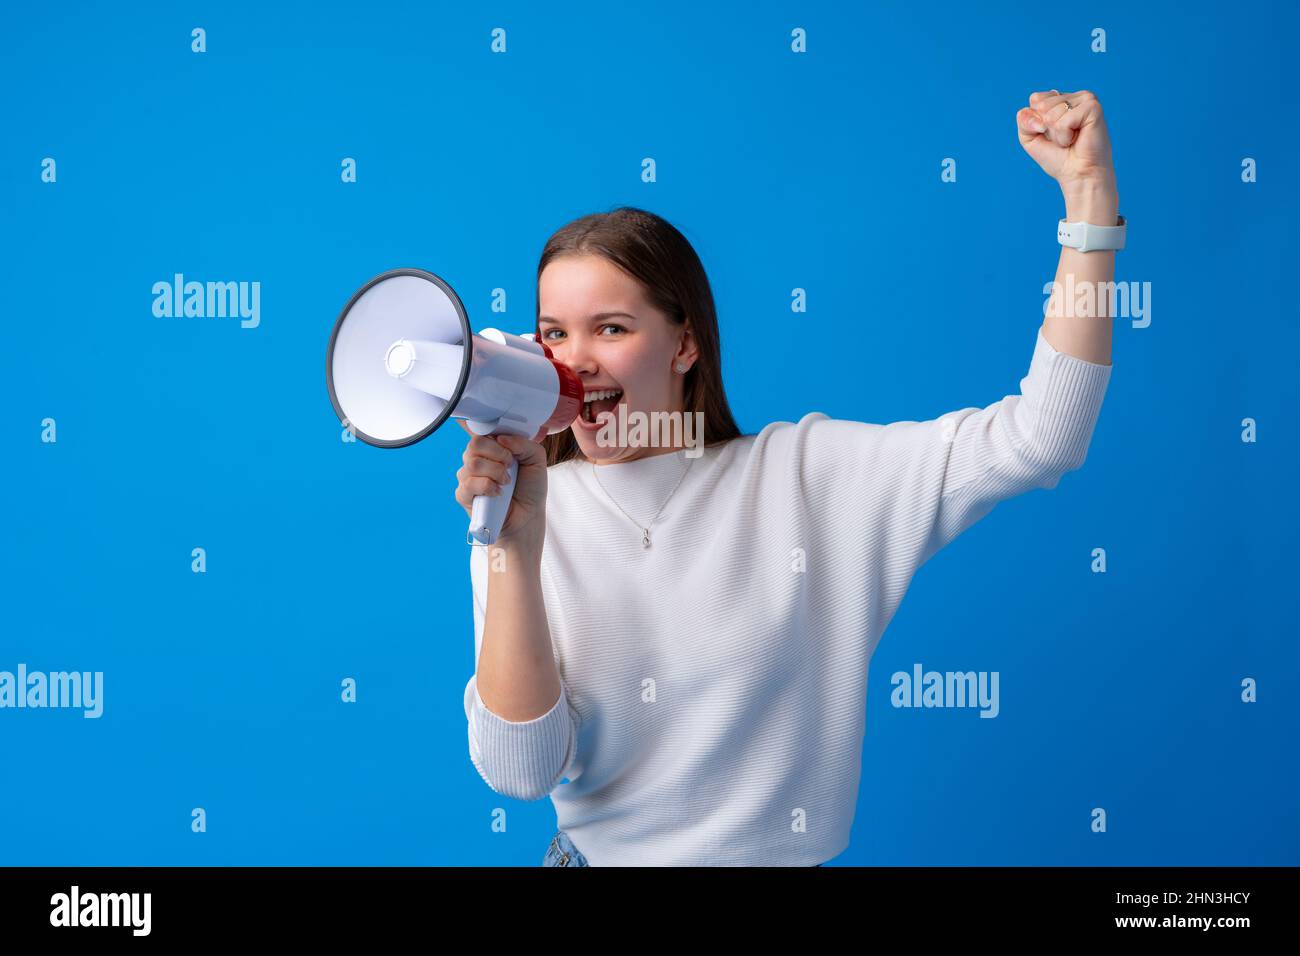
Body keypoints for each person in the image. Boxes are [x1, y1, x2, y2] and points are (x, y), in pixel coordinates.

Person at [457, 89, 1119, 867]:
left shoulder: (808, 478)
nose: (577, 361)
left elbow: (1044, 435)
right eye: (553, 334)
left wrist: (1090, 209)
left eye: (611, 327)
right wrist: (513, 548)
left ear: (685, 345)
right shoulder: (526, 515)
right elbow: (520, 772)